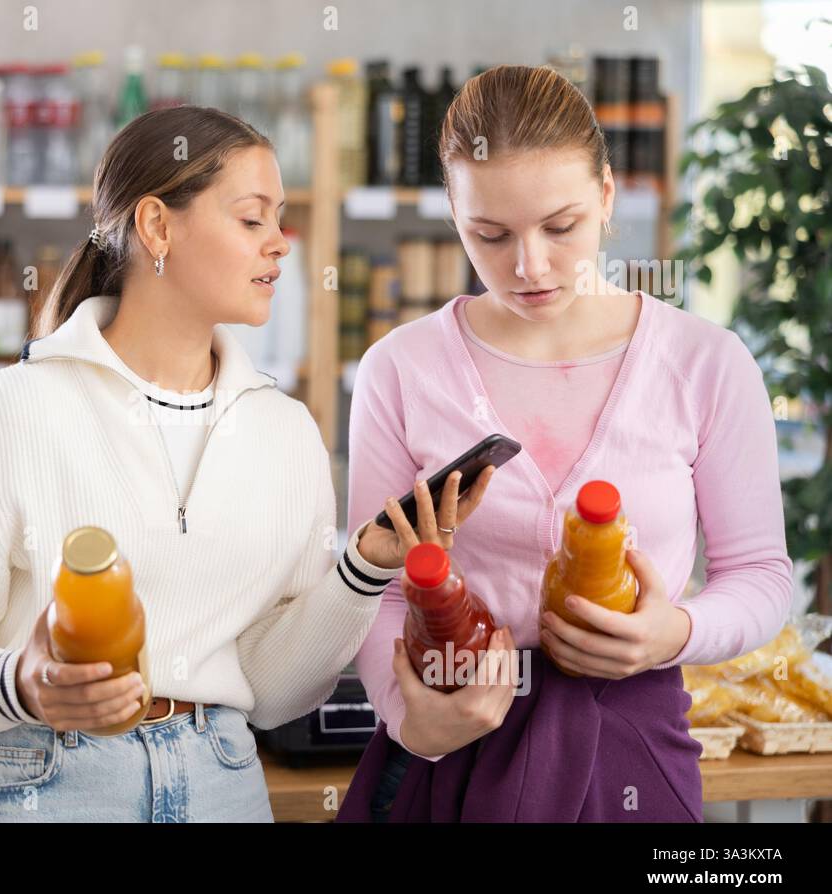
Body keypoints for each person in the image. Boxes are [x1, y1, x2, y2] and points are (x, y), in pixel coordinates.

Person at [0, 105, 493, 822]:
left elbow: (272, 688)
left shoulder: (285, 433)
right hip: (52, 779)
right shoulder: (16, 411)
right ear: (157, 227)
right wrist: (21, 682)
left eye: (280, 220)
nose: (280, 246)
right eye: (252, 220)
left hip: (223, 774)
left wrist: (366, 565)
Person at [339, 64, 792, 823]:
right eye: (490, 234)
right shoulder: (400, 369)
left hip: (632, 745)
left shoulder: (705, 363)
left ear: (608, 196)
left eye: (561, 226)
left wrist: (672, 633)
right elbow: (375, 586)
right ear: (454, 213)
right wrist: (407, 715)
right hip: (448, 740)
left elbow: (761, 576)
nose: (530, 267)